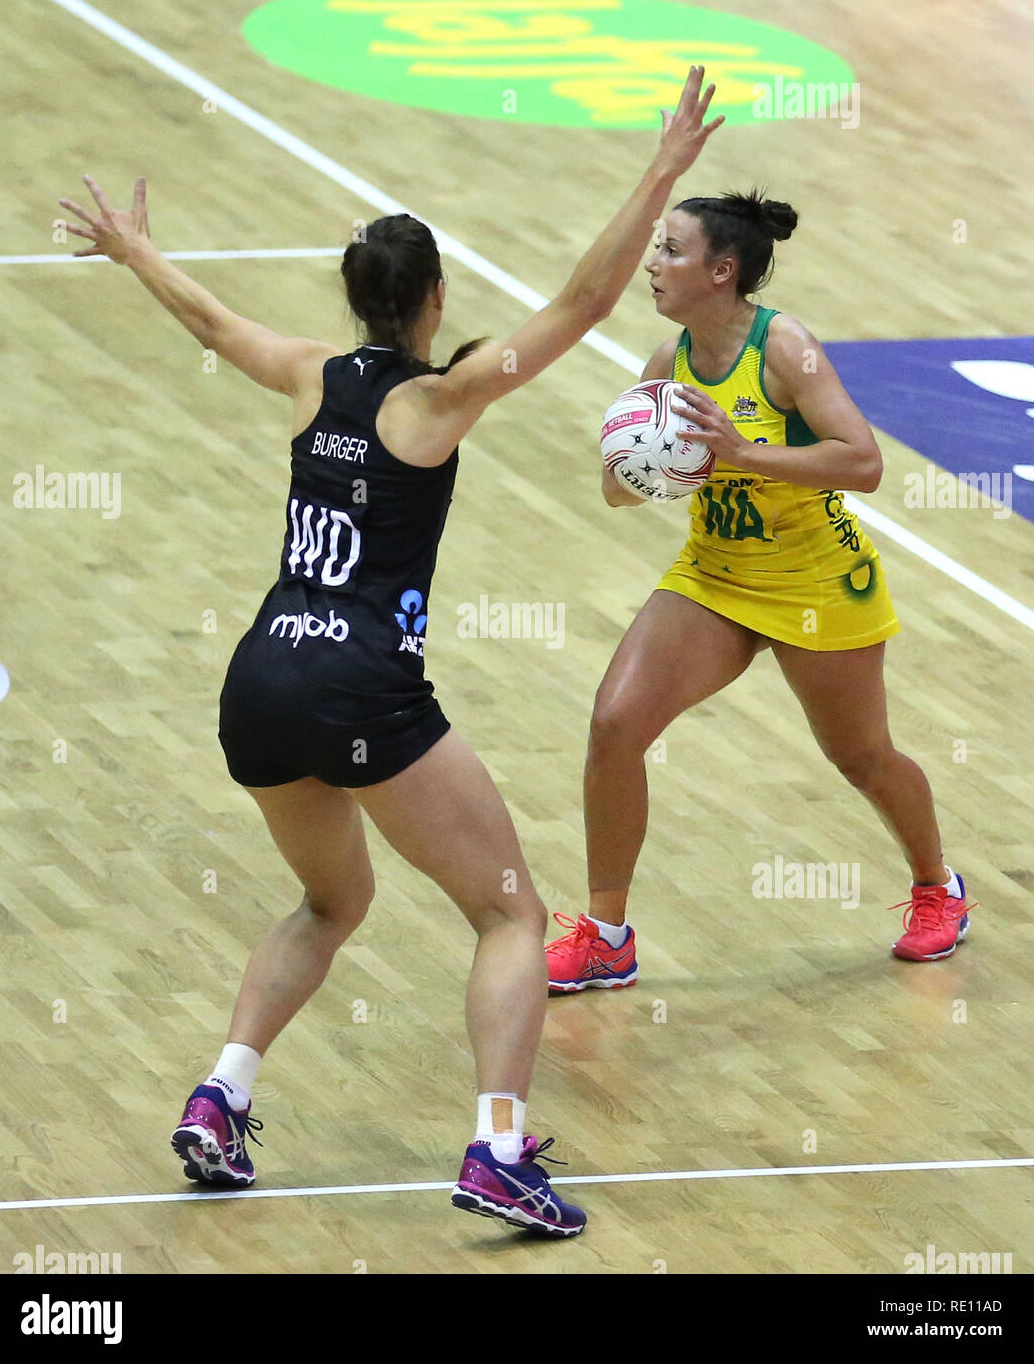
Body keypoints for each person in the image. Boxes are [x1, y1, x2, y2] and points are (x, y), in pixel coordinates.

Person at [57, 66, 724, 1237]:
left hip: (260, 675)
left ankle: (223, 1094)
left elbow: (214, 323)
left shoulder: (317, 373)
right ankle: (499, 1149)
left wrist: (134, 252)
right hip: (359, 683)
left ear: (360, 298)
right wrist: (660, 169)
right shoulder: (438, 400)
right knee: (511, 912)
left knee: (330, 899)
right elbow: (577, 304)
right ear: (433, 298)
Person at [545, 189, 973, 995]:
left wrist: (738, 455)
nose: (652, 264)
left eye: (670, 250)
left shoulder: (786, 349)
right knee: (613, 722)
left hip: (816, 582)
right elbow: (616, 492)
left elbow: (863, 463)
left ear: (722, 269)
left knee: (860, 757)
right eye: (657, 248)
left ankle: (936, 888)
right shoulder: (667, 364)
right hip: (713, 575)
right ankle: (606, 935)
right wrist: (644, 461)